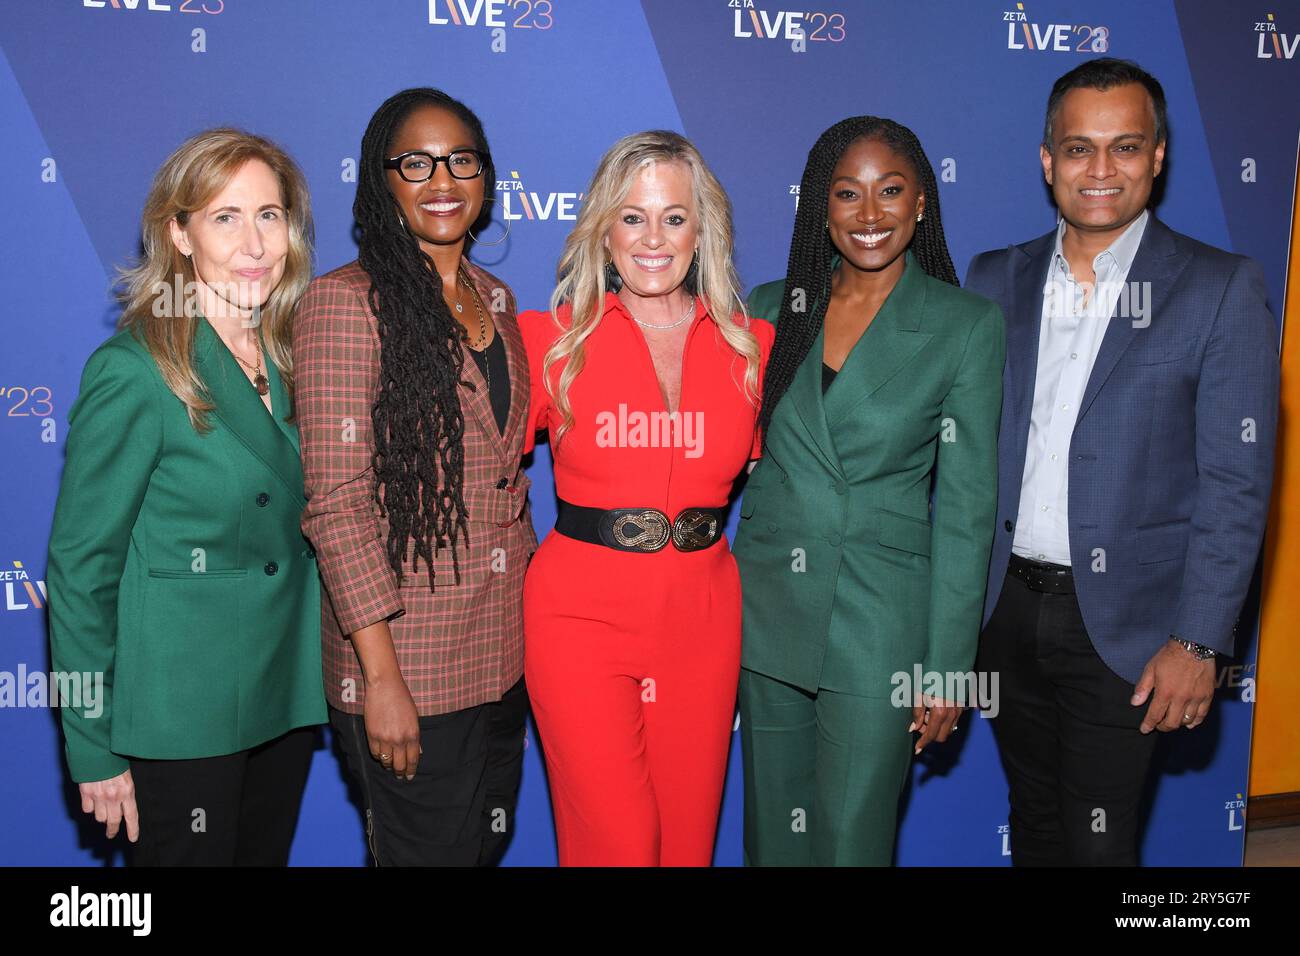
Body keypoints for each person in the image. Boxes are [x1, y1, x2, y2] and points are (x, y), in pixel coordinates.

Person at [966, 58, 1279, 866]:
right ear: (1047, 161)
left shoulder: (1219, 288)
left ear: (1159, 156)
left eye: (1125, 147)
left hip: (1132, 631)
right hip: (1003, 615)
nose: (1100, 170)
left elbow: (1237, 486)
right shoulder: (994, 279)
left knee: (1099, 843)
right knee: (1033, 824)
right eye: (1078, 149)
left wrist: (1202, 642)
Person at [47, 128, 324, 866]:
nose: (255, 242)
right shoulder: (135, 370)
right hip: (178, 711)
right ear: (178, 232)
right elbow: (80, 570)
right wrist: (92, 742)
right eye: (224, 217)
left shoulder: (300, 355)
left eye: (270, 214)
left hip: (283, 694)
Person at [736, 116, 1005, 866]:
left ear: (922, 202)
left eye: (890, 191)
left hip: (878, 622)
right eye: (846, 194)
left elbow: (965, 511)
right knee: (773, 837)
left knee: (853, 843)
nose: (870, 213)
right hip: (768, 612)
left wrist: (949, 666)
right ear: (819, 208)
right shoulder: (768, 307)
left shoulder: (964, 325)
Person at [520, 130, 774, 866]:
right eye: (632, 217)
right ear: (604, 230)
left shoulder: (751, 347)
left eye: (673, 216)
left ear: (704, 231)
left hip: (702, 620)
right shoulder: (551, 340)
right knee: (620, 846)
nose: (653, 238)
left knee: (687, 846)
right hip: (579, 619)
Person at [294, 88, 534, 867]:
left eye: (462, 160)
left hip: (503, 659)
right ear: (382, 180)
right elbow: (335, 504)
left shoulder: (496, 301)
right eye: (417, 163)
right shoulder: (342, 303)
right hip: (408, 667)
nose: (443, 179)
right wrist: (381, 678)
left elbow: (503, 476)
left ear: (487, 178)